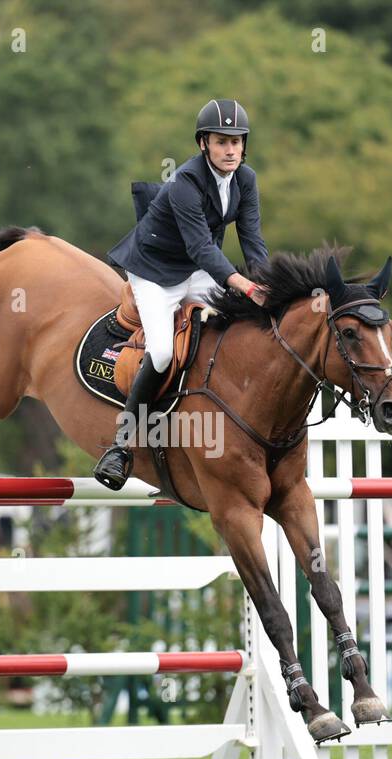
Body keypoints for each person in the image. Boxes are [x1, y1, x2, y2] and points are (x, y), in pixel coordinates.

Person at [97, 98, 271, 490]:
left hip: (195, 271)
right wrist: (241, 284)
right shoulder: (185, 183)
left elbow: (253, 240)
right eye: (221, 141)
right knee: (160, 352)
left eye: (236, 142)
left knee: (239, 327)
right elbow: (201, 248)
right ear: (203, 144)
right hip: (155, 272)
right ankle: (121, 446)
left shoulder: (246, 180)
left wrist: (266, 284)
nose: (230, 150)